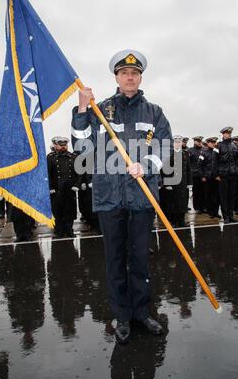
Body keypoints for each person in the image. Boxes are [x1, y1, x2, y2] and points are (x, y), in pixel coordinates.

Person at [71, 50, 172, 344]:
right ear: (116, 77)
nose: (130, 77)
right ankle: (122, 317)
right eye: (125, 73)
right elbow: (82, 148)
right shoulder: (100, 109)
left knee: (139, 259)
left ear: (141, 77)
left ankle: (142, 313)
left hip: (141, 198)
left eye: (135, 73)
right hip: (110, 198)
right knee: (115, 260)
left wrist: (148, 166)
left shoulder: (154, 112)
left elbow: (165, 148)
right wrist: (80, 110)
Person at [47, 137, 79, 238]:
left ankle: (69, 230)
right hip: (56, 189)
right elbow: (47, 173)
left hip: (70, 189)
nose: (63, 147)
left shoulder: (73, 157)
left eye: (65, 145)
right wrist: (50, 187)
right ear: (56, 145)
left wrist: (76, 185)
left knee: (70, 210)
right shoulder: (50, 157)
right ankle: (59, 231)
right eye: (61, 145)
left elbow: (79, 173)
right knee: (58, 211)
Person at [160, 135, 192, 227]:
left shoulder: (185, 154)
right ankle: (173, 221)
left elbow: (189, 169)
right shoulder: (169, 154)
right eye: (176, 142)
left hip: (183, 182)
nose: (178, 144)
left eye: (179, 142)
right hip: (172, 182)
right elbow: (165, 169)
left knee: (183, 203)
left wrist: (189, 183)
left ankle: (181, 221)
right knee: (173, 203)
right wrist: (167, 184)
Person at [213, 126, 238, 224]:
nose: (228, 134)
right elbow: (214, 161)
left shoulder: (234, 145)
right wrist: (216, 174)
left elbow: (237, 159)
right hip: (223, 175)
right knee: (224, 197)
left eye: (229, 133)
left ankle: (231, 215)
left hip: (232, 174)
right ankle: (226, 217)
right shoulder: (218, 146)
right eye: (226, 133)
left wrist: (236, 170)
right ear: (223, 134)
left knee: (232, 196)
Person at [199, 137, 220, 218]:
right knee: (209, 196)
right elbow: (200, 166)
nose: (213, 144)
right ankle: (210, 212)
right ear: (208, 143)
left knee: (217, 196)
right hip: (207, 177)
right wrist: (202, 176)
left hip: (216, 177)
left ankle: (216, 212)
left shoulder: (217, 152)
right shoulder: (203, 153)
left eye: (214, 142)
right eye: (211, 142)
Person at [188, 136, 205, 213]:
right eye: (198, 141)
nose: (199, 143)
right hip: (194, 175)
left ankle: (202, 207)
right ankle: (197, 207)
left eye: (200, 141)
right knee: (196, 192)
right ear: (194, 142)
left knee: (202, 192)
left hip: (202, 174)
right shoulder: (191, 151)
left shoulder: (203, 150)